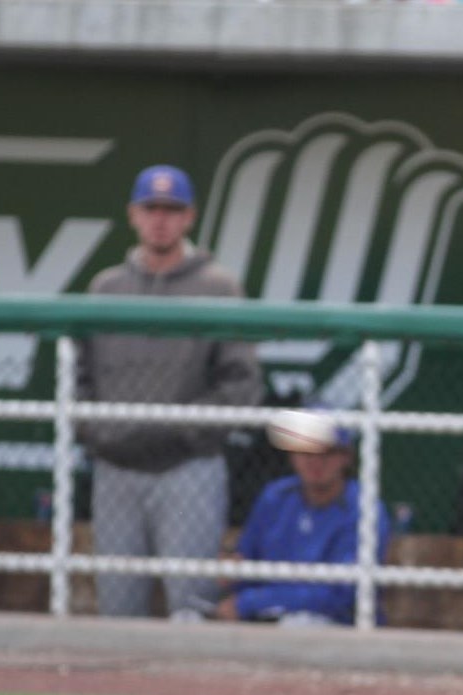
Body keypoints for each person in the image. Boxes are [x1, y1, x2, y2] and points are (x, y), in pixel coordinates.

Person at [75, 164, 262, 620]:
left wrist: (182, 431)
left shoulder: (218, 286)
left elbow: (242, 383)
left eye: (172, 209)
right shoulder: (107, 287)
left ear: (189, 217)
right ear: (133, 214)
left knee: (191, 607)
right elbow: (79, 377)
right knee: (117, 608)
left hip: (187, 469)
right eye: (151, 208)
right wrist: (99, 433)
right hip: (116, 468)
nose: (161, 219)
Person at [214, 424, 391, 626]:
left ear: (346, 457)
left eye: (327, 453)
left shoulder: (363, 508)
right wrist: (232, 574)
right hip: (263, 614)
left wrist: (250, 602)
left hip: (336, 623)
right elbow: (246, 562)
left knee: (298, 623)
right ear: (292, 455)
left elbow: (340, 594)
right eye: (306, 452)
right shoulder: (276, 496)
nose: (315, 462)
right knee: (191, 617)